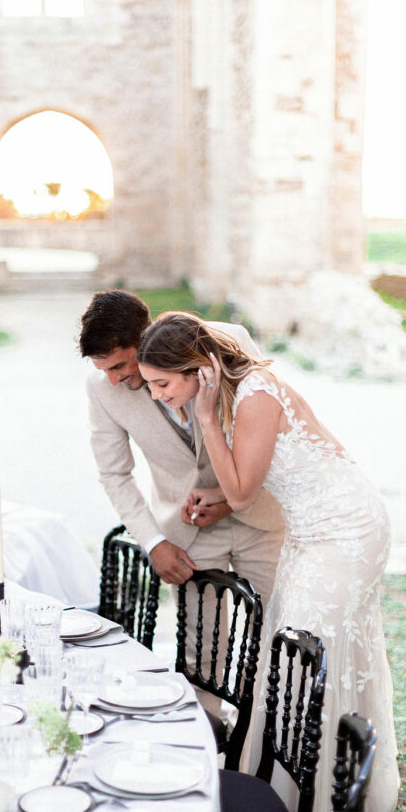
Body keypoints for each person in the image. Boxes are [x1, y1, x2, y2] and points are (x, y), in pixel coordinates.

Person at [137, 310, 399, 812]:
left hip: (347, 528)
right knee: (297, 656)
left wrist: (206, 420)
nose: (157, 397)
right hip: (309, 531)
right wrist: (216, 500)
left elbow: (242, 483)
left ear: (198, 371)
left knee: (311, 661)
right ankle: (310, 799)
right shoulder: (234, 390)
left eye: (163, 384)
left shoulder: (251, 394)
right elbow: (249, 481)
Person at [78, 290, 284, 713]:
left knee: (277, 641)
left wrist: (231, 500)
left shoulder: (228, 342)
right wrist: (153, 542)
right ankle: (201, 752)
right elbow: (114, 475)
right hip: (188, 536)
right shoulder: (102, 389)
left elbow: (272, 437)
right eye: (104, 370)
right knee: (201, 657)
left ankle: (266, 755)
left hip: (259, 518)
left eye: (119, 364)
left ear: (148, 336)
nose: (113, 378)